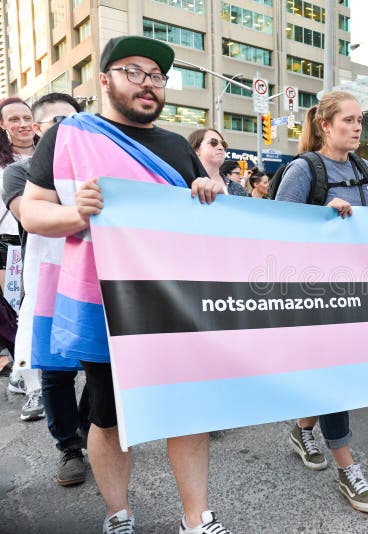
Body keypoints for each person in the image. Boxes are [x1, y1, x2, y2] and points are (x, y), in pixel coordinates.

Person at [20, 36, 229, 534]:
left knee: (186, 410)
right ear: (105, 78)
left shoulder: (178, 147)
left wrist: (209, 191)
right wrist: (77, 213)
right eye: (134, 72)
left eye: (156, 76)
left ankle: (196, 519)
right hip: (102, 300)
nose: (148, 84)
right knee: (109, 415)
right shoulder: (68, 136)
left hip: (174, 300)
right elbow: (31, 210)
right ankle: (119, 515)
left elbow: (209, 220)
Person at [275, 90, 368, 513]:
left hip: (357, 291)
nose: (357, 127)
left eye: (360, 120)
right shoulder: (303, 169)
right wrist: (320, 214)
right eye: (349, 120)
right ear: (325, 124)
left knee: (337, 371)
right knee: (336, 375)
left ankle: (303, 429)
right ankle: (348, 468)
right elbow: (275, 229)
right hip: (315, 295)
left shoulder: (362, 168)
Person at [2, 92, 91, 485]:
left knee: (102, 367)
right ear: (40, 128)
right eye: (57, 122)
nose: (66, 129)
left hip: (93, 279)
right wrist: (82, 209)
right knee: (57, 372)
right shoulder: (19, 173)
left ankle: (90, 429)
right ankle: (69, 448)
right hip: (48, 281)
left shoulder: (94, 168)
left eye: (73, 121)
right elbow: (30, 216)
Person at [1, 97, 40, 407]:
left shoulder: (51, 152)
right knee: (19, 311)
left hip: (45, 238)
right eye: (14, 119)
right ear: (3, 125)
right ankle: (28, 380)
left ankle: (23, 373)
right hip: (8, 243)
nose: (22, 124)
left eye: (26, 117)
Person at [187, 130, 247, 197]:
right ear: (196, 150)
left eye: (223, 144)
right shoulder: (184, 182)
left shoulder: (238, 188)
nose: (221, 147)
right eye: (213, 142)